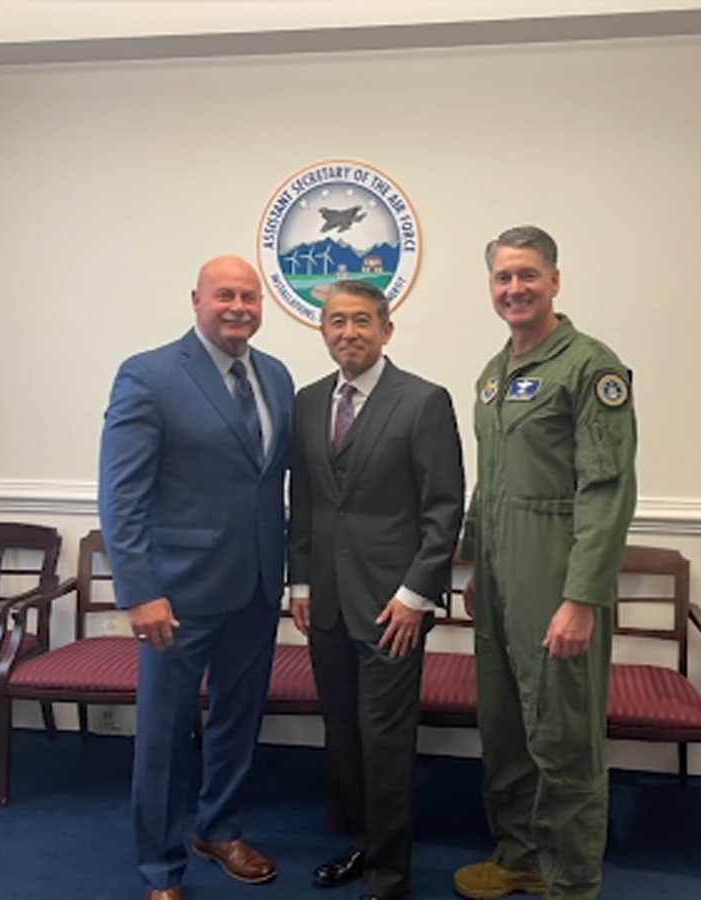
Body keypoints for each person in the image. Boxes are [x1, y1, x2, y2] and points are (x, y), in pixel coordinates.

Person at [99, 255, 294, 900]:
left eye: (250, 296)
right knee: (164, 734)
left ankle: (221, 829)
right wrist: (140, 591)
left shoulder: (277, 377)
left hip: (259, 585)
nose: (239, 306)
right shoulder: (149, 375)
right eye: (225, 295)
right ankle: (160, 866)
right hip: (177, 595)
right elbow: (121, 495)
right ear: (196, 299)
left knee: (239, 721)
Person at [453, 227, 638, 900]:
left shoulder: (592, 368)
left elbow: (608, 490)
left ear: (555, 281)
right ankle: (522, 855)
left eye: (528, 275)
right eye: (503, 278)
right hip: (500, 578)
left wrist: (582, 596)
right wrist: (474, 562)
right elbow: (488, 479)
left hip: (557, 579)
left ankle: (572, 882)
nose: (515, 289)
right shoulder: (494, 373)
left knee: (563, 735)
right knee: (505, 725)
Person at [288, 280, 465, 900]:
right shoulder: (309, 403)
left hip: (395, 608)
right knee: (343, 736)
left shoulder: (422, 402)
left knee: (386, 741)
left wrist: (417, 596)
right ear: (323, 331)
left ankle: (390, 879)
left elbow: (444, 511)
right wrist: (301, 581)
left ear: (386, 329)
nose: (348, 332)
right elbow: (306, 502)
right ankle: (363, 844)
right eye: (336, 321)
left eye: (361, 320)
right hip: (327, 604)